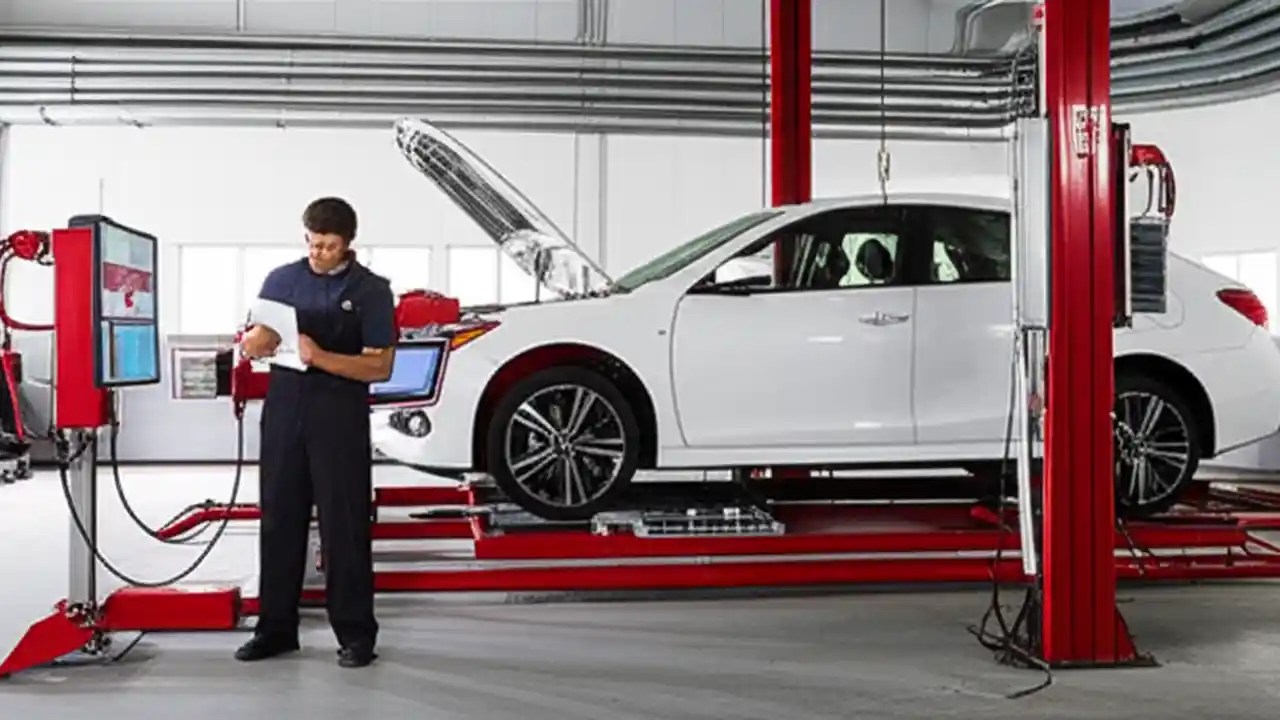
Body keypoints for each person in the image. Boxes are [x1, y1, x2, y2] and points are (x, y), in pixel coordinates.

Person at [234, 197, 396, 668]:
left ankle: (356, 634)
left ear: (348, 244)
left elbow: (380, 366)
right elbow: (252, 340)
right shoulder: (281, 279)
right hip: (284, 410)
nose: (317, 252)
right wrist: (252, 344)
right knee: (279, 520)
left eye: (327, 245)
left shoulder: (372, 290)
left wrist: (318, 356)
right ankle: (276, 629)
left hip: (339, 414)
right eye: (311, 242)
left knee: (344, 525)